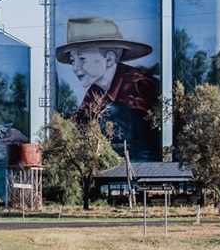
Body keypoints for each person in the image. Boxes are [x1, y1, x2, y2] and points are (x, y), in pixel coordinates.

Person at [56, 16, 160, 157]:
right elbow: (76, 126)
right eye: (72, 60)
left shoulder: (138, 85)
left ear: (109, 59)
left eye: (82, 59)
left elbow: (148, 140)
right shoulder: (95, 92)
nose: (75, 68)